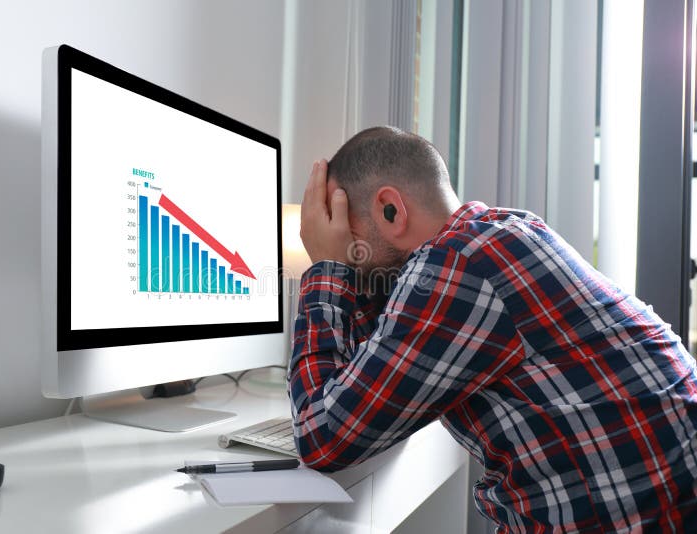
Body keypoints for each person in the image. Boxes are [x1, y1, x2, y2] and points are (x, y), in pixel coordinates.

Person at [289, 126, 697, 532]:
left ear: (390, 210)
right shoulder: (499, 233)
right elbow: (369, 380)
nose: (351, 255)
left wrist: (328, 268)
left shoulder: (459, 264)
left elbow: (322, 437)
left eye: (350, 237)